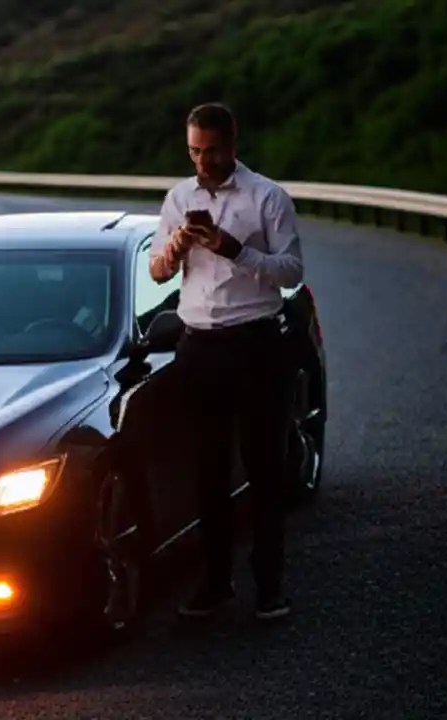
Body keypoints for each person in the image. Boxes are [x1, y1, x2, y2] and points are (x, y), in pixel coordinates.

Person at [150, 102, 303, 620]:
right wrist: (174, 247)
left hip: (257, 345)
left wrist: (235, 250)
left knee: (264, 469)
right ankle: (215, 585)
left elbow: (290, 270)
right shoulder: (177, 198)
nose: (202, 162)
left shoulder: (267, 197)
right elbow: (155, 273)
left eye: (211, 151)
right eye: (194, 151)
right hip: (199, 347)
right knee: (207, 472)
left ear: (232, 145)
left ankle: (270, 587)